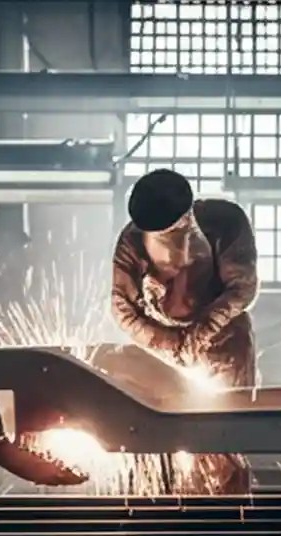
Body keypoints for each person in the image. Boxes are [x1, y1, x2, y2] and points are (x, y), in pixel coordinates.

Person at [111, 169, 259, 494]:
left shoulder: (225, 221)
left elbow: (242, 288)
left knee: (222, 438)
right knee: (157, 436)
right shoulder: (132, 241)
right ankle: (163, 518)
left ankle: (229, 521)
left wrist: (201, 332)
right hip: (162, 348)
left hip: (224, 343)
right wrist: (167, 343)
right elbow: (122, 309)